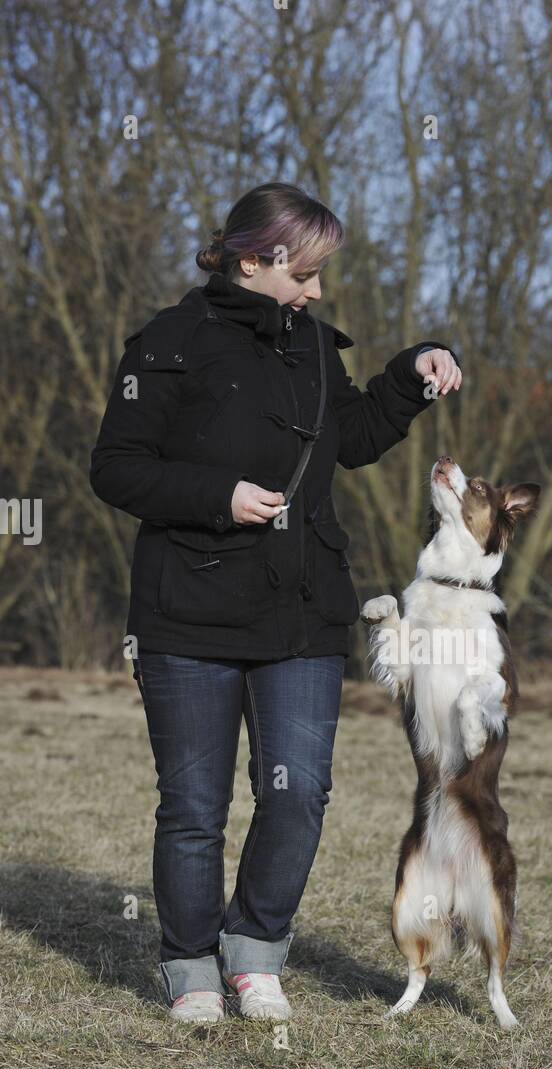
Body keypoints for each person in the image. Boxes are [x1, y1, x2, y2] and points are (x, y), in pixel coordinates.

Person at [90, 181, 461, 1024]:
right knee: (193, 808)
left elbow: (355, 440)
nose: (319, 291)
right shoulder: (167, 343)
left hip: (301, 612)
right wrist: (217, 494)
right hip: (187, 609)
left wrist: (413, 371)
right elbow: (115, 468)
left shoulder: (313, 348)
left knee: (298, 791)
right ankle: (189, 965)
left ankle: (254, 953)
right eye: (308, 273)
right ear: (255, 260)